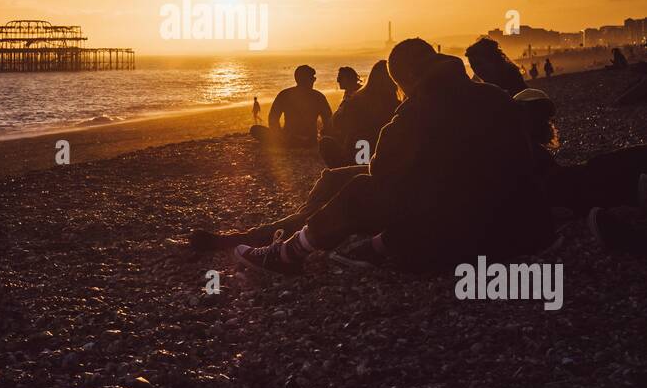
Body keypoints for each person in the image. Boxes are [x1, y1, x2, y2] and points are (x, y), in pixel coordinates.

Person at [234, 38, 553, 277]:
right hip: (524, 231)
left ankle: (289, 253)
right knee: (443, 186)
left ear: (407, 79)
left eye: (401, 85)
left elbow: (382, 173)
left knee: (363, 188)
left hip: (464, 247)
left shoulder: (415, 112)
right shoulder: (497, 98)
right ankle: (369, 247)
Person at [514, 87, 647, 215]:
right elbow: (524, 190)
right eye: (537, 114)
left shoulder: (525, 145)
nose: (544, 121)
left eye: (544, 117)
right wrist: (548, 209)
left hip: (570, 187)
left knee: (609, 164)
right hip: (569, 193)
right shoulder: (518, 146)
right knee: (610, 167)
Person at [319, 60, 398, 167]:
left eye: (340, 78)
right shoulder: (399, 102)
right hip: (387, 151)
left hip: (362, 149)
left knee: (326, 143)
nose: (337, 80)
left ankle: (355, 169)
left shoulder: (356, 99)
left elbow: (338, 123)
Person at [249, 65, 331, 149]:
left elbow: (273, 117)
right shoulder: (318, 96)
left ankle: (281, 141)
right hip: (310, 140)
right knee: (255, 129)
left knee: (255, 130)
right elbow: (328, 120)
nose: (314, 81)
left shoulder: (285, 94)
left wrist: (278, 135)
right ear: (306, 80)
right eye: (313, 79)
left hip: (288, 139)